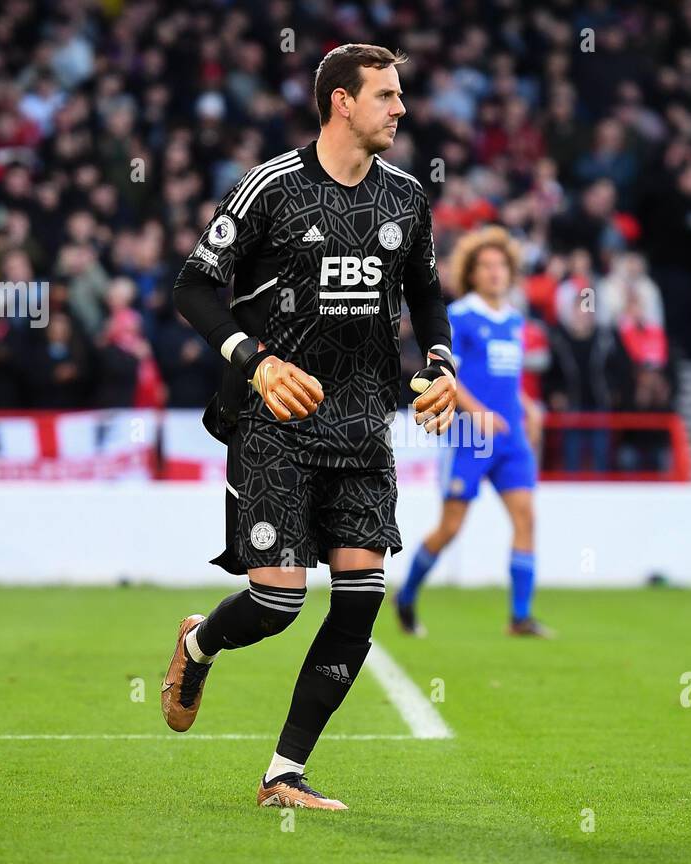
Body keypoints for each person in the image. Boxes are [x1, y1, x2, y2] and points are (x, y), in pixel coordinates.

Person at [163, 44, 457, 811]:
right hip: (274, 419)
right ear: (342, 103)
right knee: (278, 603)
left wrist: (440, 364)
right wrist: (251, 359)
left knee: (360, 596)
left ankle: (282, 774)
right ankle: (200, 644)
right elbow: (192, 286)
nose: (400, 109)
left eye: (400, 96)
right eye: (386, 96)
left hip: (363, 426)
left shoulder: (406, 200)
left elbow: (427, 295)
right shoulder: (273, 186)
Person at [394, 226, 551, 638]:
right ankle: (406, 596)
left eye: (501, 265)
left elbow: (507, 380)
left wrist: (529, 407)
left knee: (526, 519)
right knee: (450, 528)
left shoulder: (515, 320)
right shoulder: (460, 317)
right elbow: (449, 376)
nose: (496, 272)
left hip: (511, 439)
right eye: (486, 266)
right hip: (470, 437)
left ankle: (520, 617)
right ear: (472, 273)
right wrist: (479, 413)